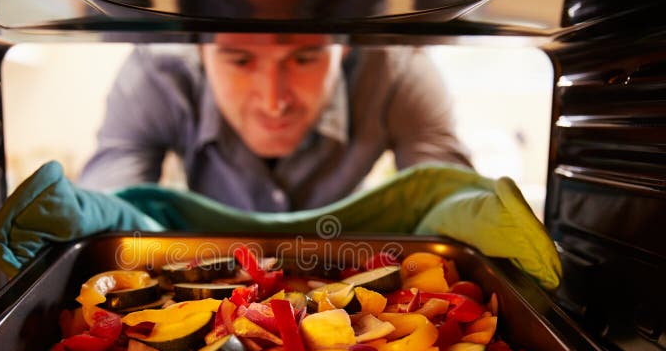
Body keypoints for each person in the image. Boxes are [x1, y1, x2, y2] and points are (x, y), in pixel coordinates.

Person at [79, 33, 471, 212]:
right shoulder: (157, 71)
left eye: (304, 59)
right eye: (240, 61)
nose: (274, 102)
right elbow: (108, 207)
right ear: (200, 47)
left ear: (344, 45)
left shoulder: (397, 70)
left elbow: (450, 202)